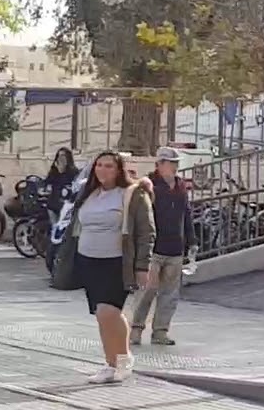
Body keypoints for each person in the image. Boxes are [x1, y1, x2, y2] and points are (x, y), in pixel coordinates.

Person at [68, 151, 155, 384]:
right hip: (89, 260)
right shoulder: (88, 192)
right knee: (101, 315)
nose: (102, 170)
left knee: (110, 311)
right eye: (99, 165)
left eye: (109, 166)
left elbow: (146, 232)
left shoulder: (132, 194)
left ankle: (124, 360)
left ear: (119, 170)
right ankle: (110, 364)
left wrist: (143, 266)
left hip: (117, 262)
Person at [130, 147, 195, 346]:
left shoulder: (180, 186)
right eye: (170, 163)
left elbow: (186, 214)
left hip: (175, 248)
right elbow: (140, 217)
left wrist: (192, 241)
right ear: (159, 164)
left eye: (176, 163)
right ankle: (135, 329)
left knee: (169, 294)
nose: (174, 167)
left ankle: (160, 331)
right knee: (147, 291)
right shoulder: (150, 186)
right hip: (153, 249)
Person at [44, 147, 79, 277]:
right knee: (55, 231)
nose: (61, 159)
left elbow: (75, 186)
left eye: (63, 156)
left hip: (65, 207)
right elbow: (47, 183)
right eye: (59, 156)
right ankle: (52, 258)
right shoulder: (54, 170)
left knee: (64, 233)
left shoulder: (73, 172)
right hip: (53, 205)